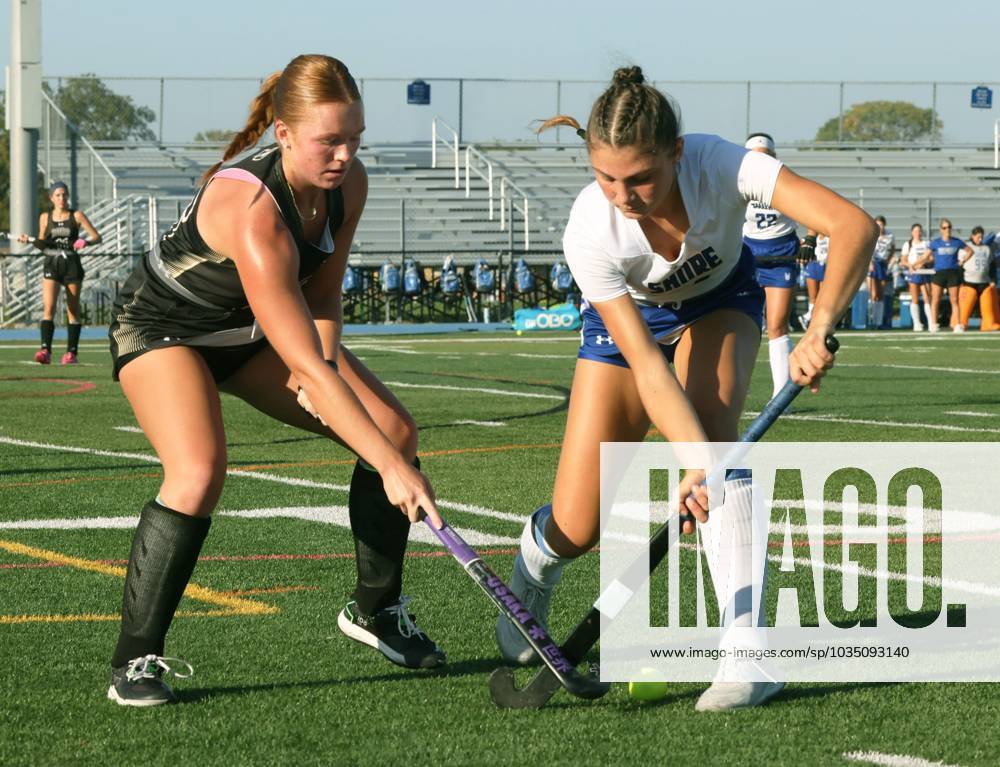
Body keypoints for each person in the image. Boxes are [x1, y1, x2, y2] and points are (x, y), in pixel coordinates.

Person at [495, 66, 877, 712]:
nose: (624, 194)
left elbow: (853, 226)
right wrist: (691, 459)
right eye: (607, 176)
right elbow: (647, 368)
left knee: (720, 445)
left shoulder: (723, 164)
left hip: (718, 300)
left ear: (675, 153)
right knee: (578, 522)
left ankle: (748, 653)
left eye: (640, 177)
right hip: (631, 328)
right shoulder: (591, 227)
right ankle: (537, 559)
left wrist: (819, 328)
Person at [105, 54, 445, 707]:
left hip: (251, 332)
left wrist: (333, 382)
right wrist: (343, 411)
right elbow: (309, 368)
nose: (345, 155)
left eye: (355, 138)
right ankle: (134, 661)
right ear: (283, 134)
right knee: (198, 470)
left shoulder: (349, 186)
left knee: (396, 431)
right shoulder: (253, 212)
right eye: (329, 141)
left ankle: (375, 610)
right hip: (163, 330)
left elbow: (323, 295)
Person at [17, 181, 101, 364]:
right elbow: (42, 244)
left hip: (71, 264)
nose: (62, 198)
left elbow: (97, 237)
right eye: (58, 195)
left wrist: (86, 242)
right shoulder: (45, 217)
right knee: (49, 308)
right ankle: (45, 351)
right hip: (52, 264)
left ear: (68, 196)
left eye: (64, 195)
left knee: (72, 310)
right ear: (51, 198)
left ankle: (72, 353)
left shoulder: (76, 215)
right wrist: (28, 240)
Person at [741, 133, 800, 399]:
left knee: (776, 324)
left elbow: (816, 211)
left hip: (780, 259)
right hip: (747, 258)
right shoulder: (738, 182)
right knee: (742, 323)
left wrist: (809, 240)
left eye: (765, 156)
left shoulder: (787, 182)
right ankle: (736, 384)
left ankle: (781, 394)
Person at [957, 226, 1000, 331]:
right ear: (973, 236)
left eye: (981, 237)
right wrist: (960, 282)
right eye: (978, 237)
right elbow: (960, 266)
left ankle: (988, 325)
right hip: (969, 282)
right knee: (965, 308)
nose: (980, 239)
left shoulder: (986, 249)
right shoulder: (966, 248)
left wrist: (993, 280)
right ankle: (961, 324)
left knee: (988, 307)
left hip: (984, 282)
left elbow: (992, 265)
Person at [928, 218, 965, 331]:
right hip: (939, 273)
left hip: (953, 273)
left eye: (949, 227)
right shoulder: (935, 243)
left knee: (954, 300)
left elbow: (970, 251)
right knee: (935, 299)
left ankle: (957, 324)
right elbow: (926, 256)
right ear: (941, 229)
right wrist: (913, 265)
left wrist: (963, 261)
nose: (947, 229)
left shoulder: (956, 241)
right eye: (944, 227)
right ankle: (933, 324)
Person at [901, 223, 933, 331]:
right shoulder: (908, 244)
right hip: (913, 273)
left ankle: (931, 322)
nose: (917, 233)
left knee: (927, 297)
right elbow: (903, 261)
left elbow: (931, 258)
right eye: (915, 231)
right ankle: (916, 323)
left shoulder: (926, 243)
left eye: (919, 231)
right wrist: (911, 266)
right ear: (912, 232)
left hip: (925, 272)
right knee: (914, 298)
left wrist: (923, 262)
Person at [798, 231, 828, 329]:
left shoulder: (830, 236)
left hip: (825, 266)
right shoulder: (813, 237)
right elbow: (802, 244)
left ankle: (808, 318)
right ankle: (810, 319)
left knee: (822, 296)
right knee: (813, 296)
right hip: (813, 265)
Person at [868, 216, 894, 329]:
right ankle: (871, 320)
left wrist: (888, 260)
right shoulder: (872, 234)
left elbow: (893, 248)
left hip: (883, 264)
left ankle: (879, 322)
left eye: (881, 224)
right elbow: (867, 249)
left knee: (880, 294)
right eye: (877, 224)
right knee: (873, 294)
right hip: (873, 263)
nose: (880, 227)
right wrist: (870, 263)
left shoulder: (889, 236)